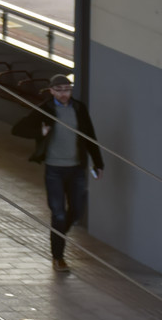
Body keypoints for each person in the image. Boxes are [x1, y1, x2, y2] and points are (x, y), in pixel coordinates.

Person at [12, 75, 104, 273]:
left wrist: (98, 162)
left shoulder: (79, 108)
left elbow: (90, 136)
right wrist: (40, 132)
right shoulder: (45, 109)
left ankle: (59, 234)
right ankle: (58, 257)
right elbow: (17, 129)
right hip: (54, 169)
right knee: (58, 214)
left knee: (77, 210)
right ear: (51, 91)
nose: (64, 94)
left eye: (67, 89)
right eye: (59, 90)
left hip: (76, 168)